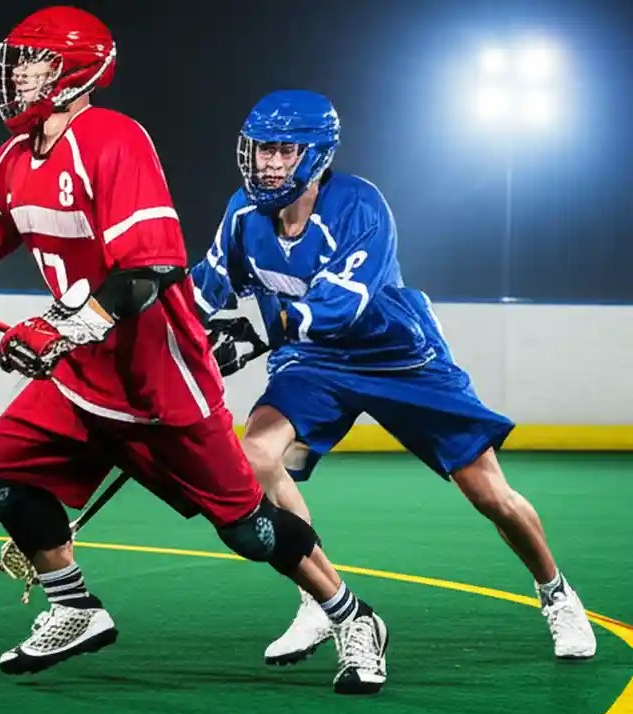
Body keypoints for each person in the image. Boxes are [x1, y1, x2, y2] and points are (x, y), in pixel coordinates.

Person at [0, 6, 389, 694]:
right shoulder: (14, 161)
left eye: (32, 61)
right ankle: (74, 607)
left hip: (160, 381)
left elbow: (151, 269)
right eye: (17, 61)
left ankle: (352, 614)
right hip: (79, 379)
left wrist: (64, 326)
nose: (17, 75)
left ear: (74, 72)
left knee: (249, 530)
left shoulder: (112, 138)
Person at [191, 89, 597, 667]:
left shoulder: (360, 206)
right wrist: (145, 324)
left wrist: (254, 331)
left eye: (284, 151)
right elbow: (202, 290)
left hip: (399, 358)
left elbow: (342, 303)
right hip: (314, 362)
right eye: (261, 151)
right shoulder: (242, 213)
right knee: (256, 456)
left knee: (489, 493)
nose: (269, 164)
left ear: (316, 155)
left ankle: (556, 594)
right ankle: (317, 596)